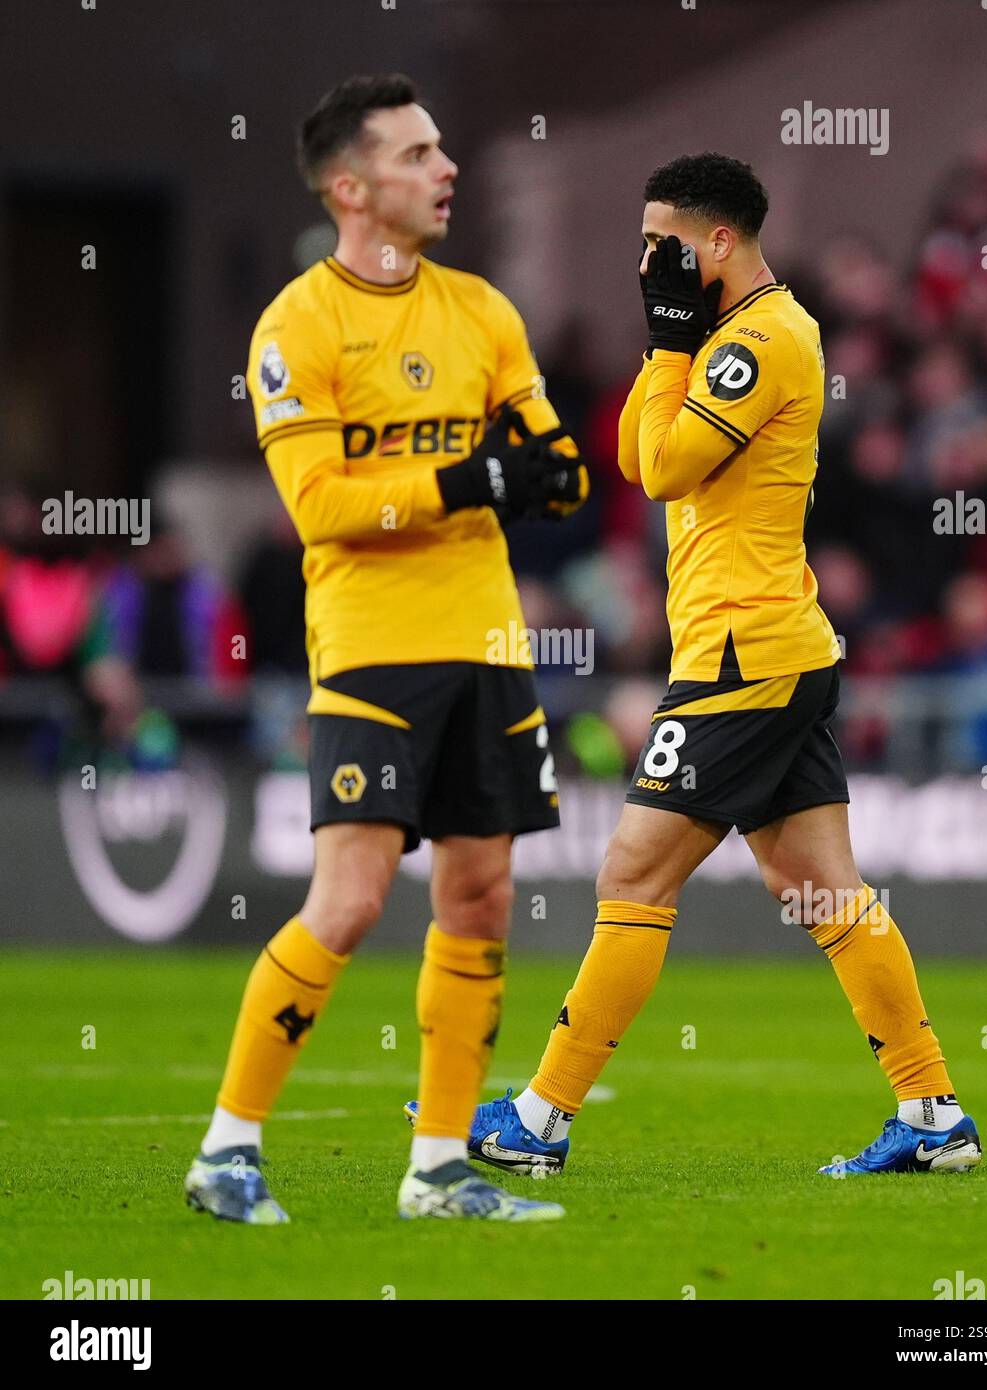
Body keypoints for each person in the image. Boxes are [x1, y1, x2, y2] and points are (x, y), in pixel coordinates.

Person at [411, 153, 982, 1183]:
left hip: (740, 655)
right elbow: (634, 455)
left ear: (717, 241)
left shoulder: (764, 336)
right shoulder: (715, 336)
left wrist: (676, 344)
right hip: (769, 648)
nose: (645, 261)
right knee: (822, 892)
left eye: (660, 243)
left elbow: (669, 462)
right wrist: (668, 339)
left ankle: (540, 1119)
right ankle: (934, 1110)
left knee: (631, 873)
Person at [184, 73, 586, 1224]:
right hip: (371, 646)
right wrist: (471, 477)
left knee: (480, 898)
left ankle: (439, 1167)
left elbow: (547, 451)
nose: (445, 169)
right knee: (351, 900)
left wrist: (550, 470)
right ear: (350, 187)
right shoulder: (296, 326)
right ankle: (227, 1147)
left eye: (441, 149)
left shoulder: (484, 312)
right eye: (417, 155)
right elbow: (320, 505)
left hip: (488, 637)